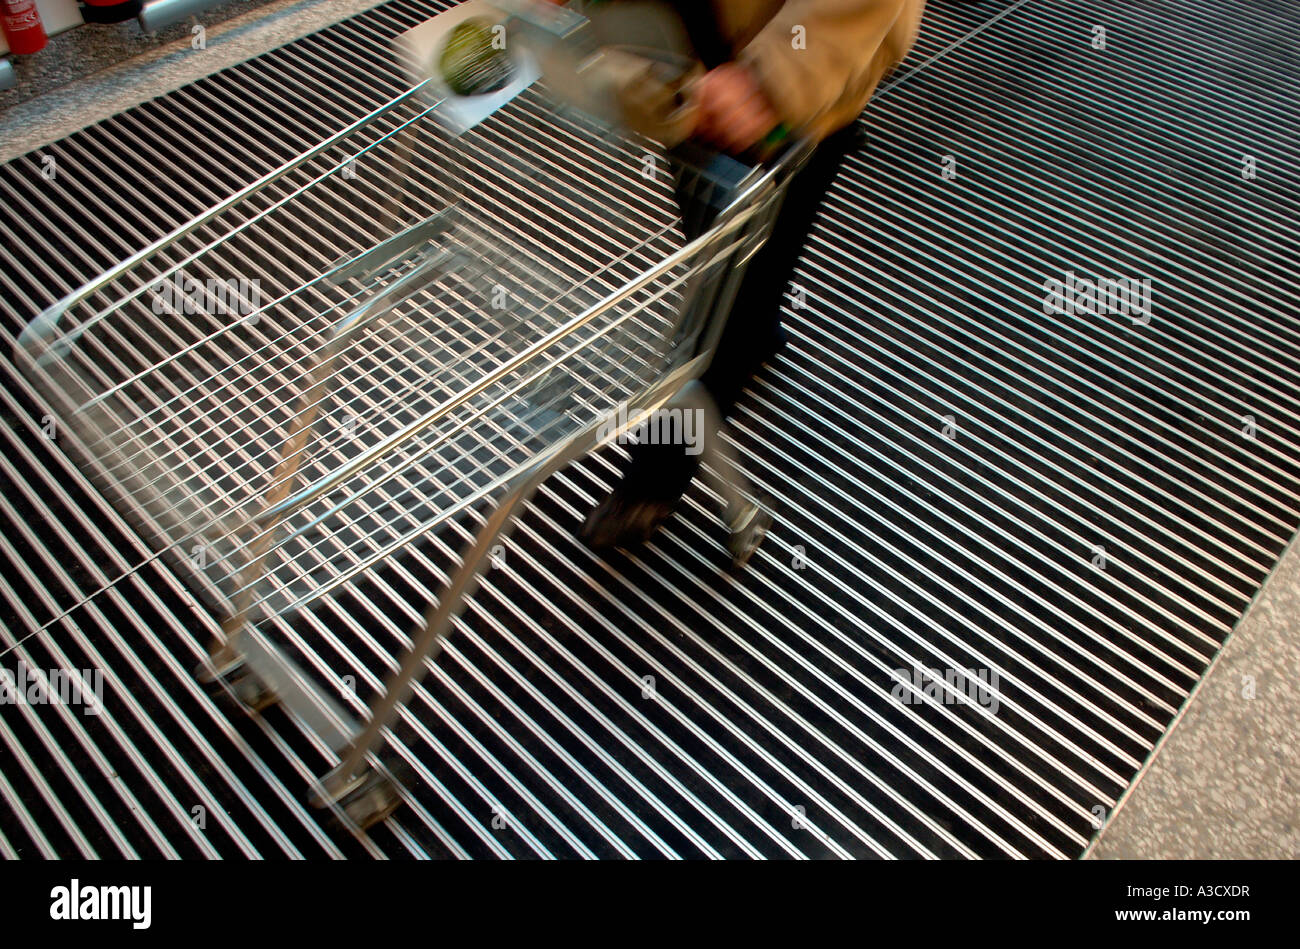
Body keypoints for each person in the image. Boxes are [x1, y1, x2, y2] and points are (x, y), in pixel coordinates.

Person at [579, 0, 928, 549]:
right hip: (690, 50)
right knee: (717, 239)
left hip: (790, 70)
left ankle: (655, 479)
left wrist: (770, 81)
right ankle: (755, 319)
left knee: (727, 302)